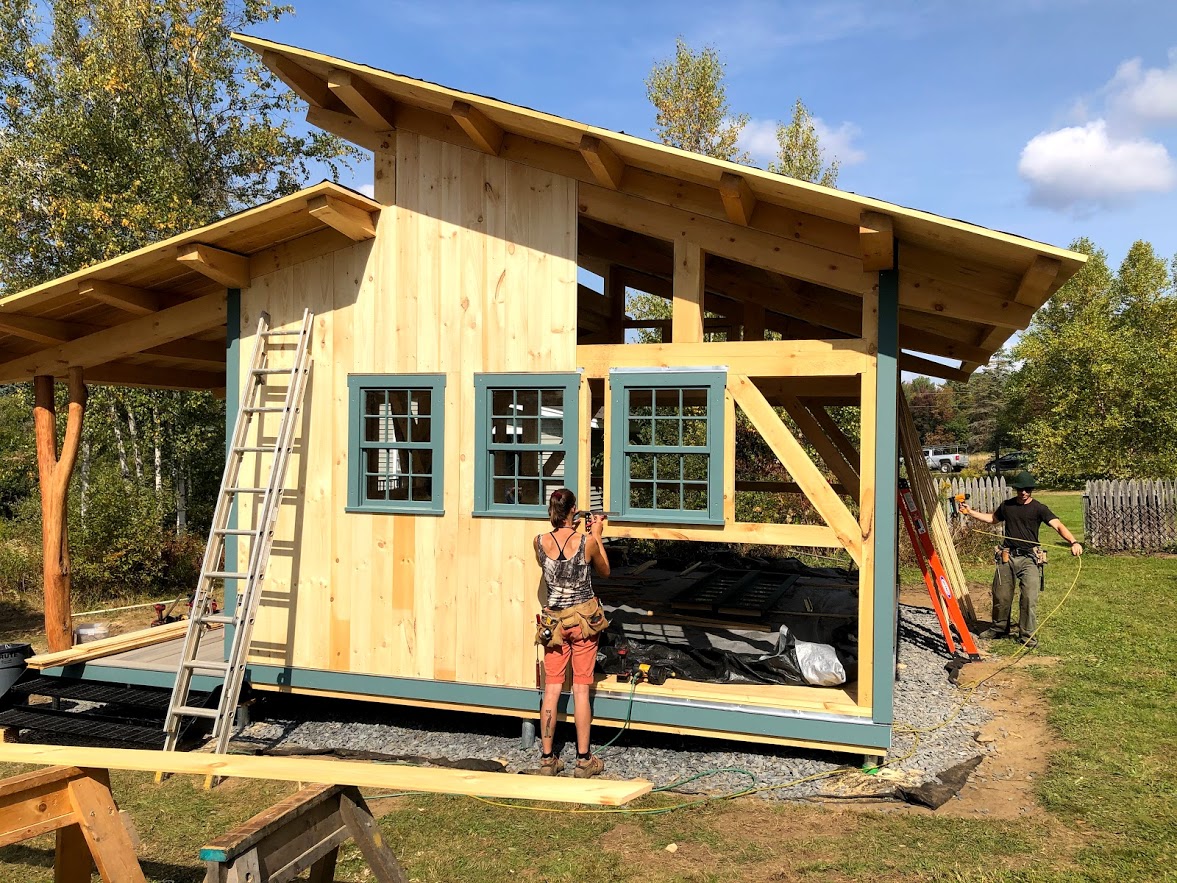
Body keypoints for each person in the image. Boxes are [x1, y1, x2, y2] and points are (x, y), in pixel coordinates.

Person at [533, 488, 610, 778]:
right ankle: (583, 760)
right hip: (583, 622)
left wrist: (572, 531)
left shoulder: (539, 542)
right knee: (580, 688)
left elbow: (555, 567)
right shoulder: (586, 541)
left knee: (551, 689)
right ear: (574, 510)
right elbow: (605, 570)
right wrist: (597, 534)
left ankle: (547, 758)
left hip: (553, 624)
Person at [958, 471, 1082, 648]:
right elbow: (993, 519)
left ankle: (1027, 635)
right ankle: (999, 628)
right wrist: (970, 512)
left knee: (1029, 597)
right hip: (1007, 556)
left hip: (1029, 559)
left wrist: (1073, 541)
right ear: (1016, 489)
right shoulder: (1007, 506)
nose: (1024, 492)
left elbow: (1058, 525)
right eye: (1021, 489)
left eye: (1028, 489)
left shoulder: (1039, 508)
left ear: (1031, 490)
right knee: (1001, 595)